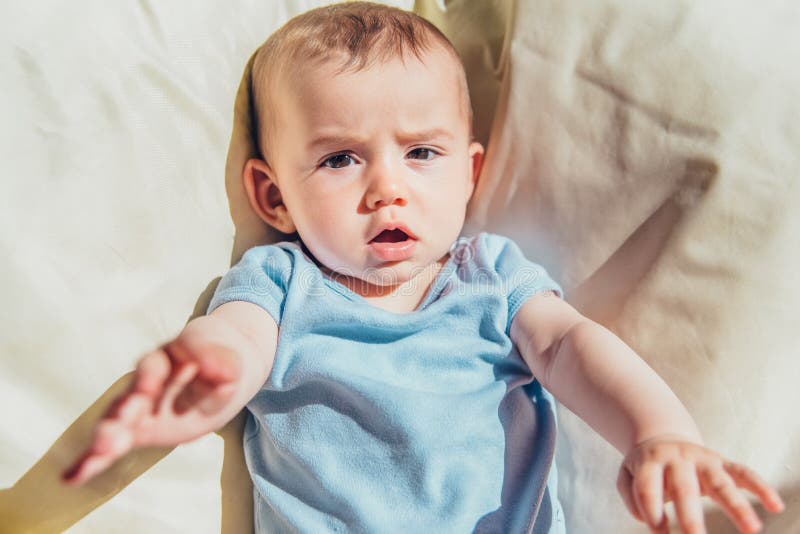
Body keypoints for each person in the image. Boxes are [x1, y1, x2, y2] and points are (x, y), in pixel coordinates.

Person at [63, 2, 784, 533]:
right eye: (341, 158)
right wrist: (205, 368)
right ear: (273, 196)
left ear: (470, 175)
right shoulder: (277, 284)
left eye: (421, 153)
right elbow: (240, 346)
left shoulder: (491, 277)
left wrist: (657, 432)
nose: (388, 188)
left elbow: (570, 347)